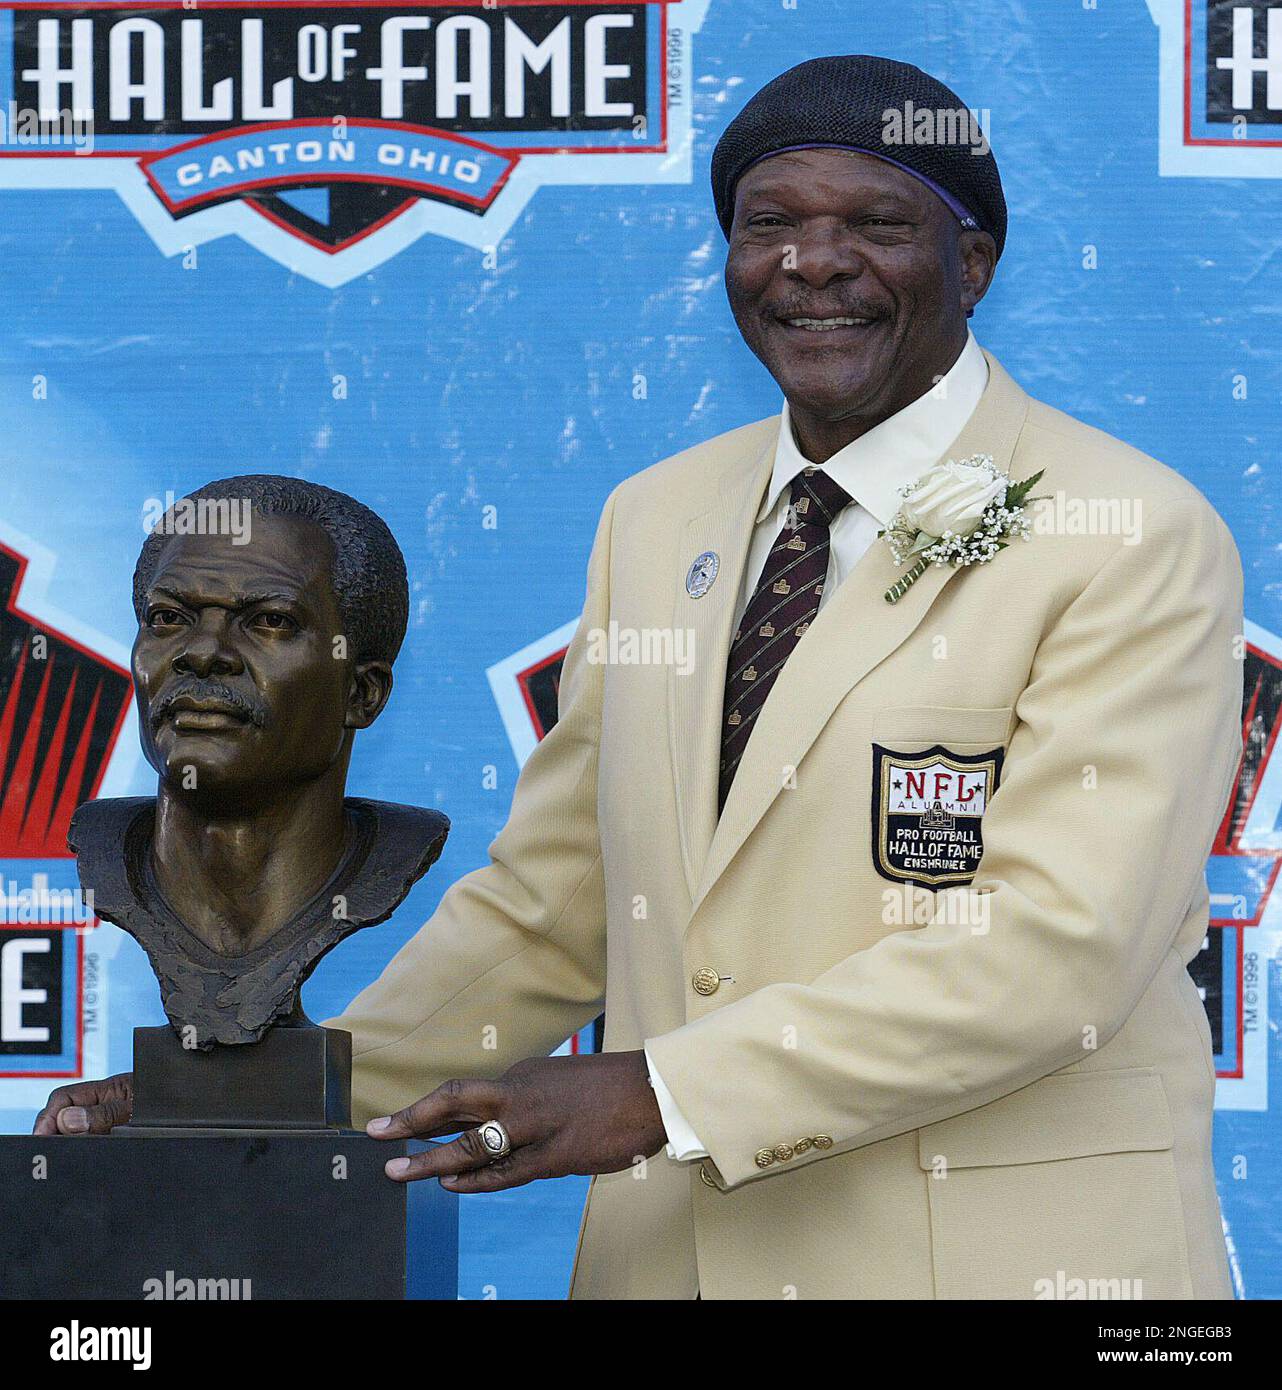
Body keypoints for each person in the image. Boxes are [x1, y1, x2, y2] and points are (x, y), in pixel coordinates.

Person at [40, 56, 1244, 1301]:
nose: (812, 262)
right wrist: (266, 1099)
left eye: (876, 224)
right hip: (672, 1269)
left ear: (973, 264)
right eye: (768, 223)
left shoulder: (1123, 531)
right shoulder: (660, 518)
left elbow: (1059, 950)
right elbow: (558, 898)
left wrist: (662, 1089)